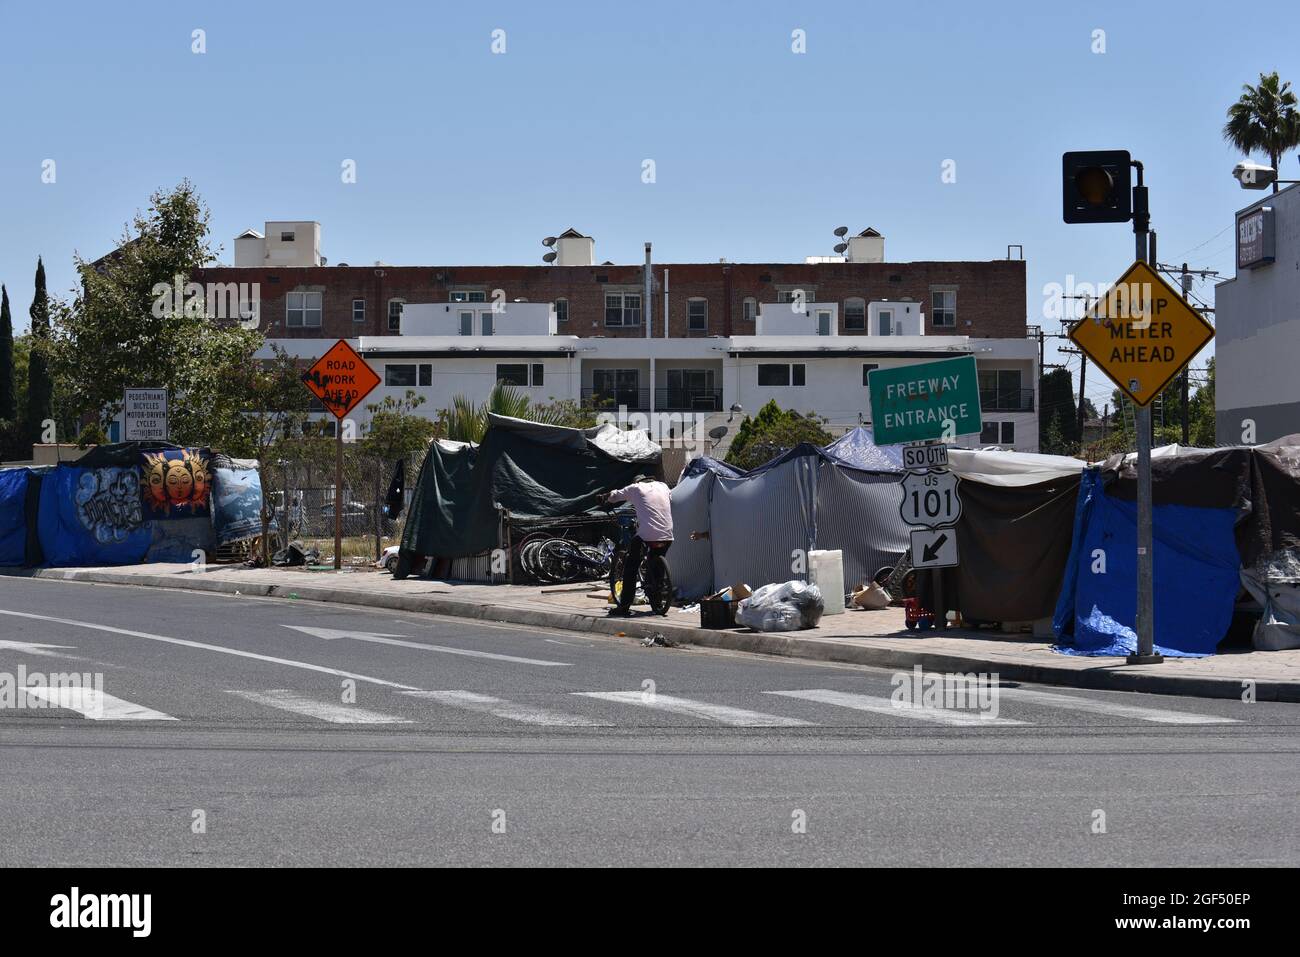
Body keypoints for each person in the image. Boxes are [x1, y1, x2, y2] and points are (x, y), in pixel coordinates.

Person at [599, 474, 674, 616]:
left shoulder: (635, 488)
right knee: (656, 565)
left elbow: (615, 495)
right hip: (668, 533)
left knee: (631, 565)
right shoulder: (663, 486)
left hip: (647, 534)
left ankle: (624, 605)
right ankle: (657, 603)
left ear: (637, 482)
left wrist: (604, 497)